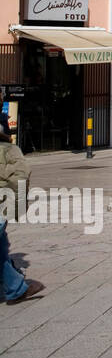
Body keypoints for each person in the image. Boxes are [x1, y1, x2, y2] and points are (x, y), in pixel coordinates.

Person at [0, 122, 42, 305]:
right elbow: (20, 178)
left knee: (2, 246)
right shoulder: (9, 150)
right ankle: (15, 287)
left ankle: (14, 286)